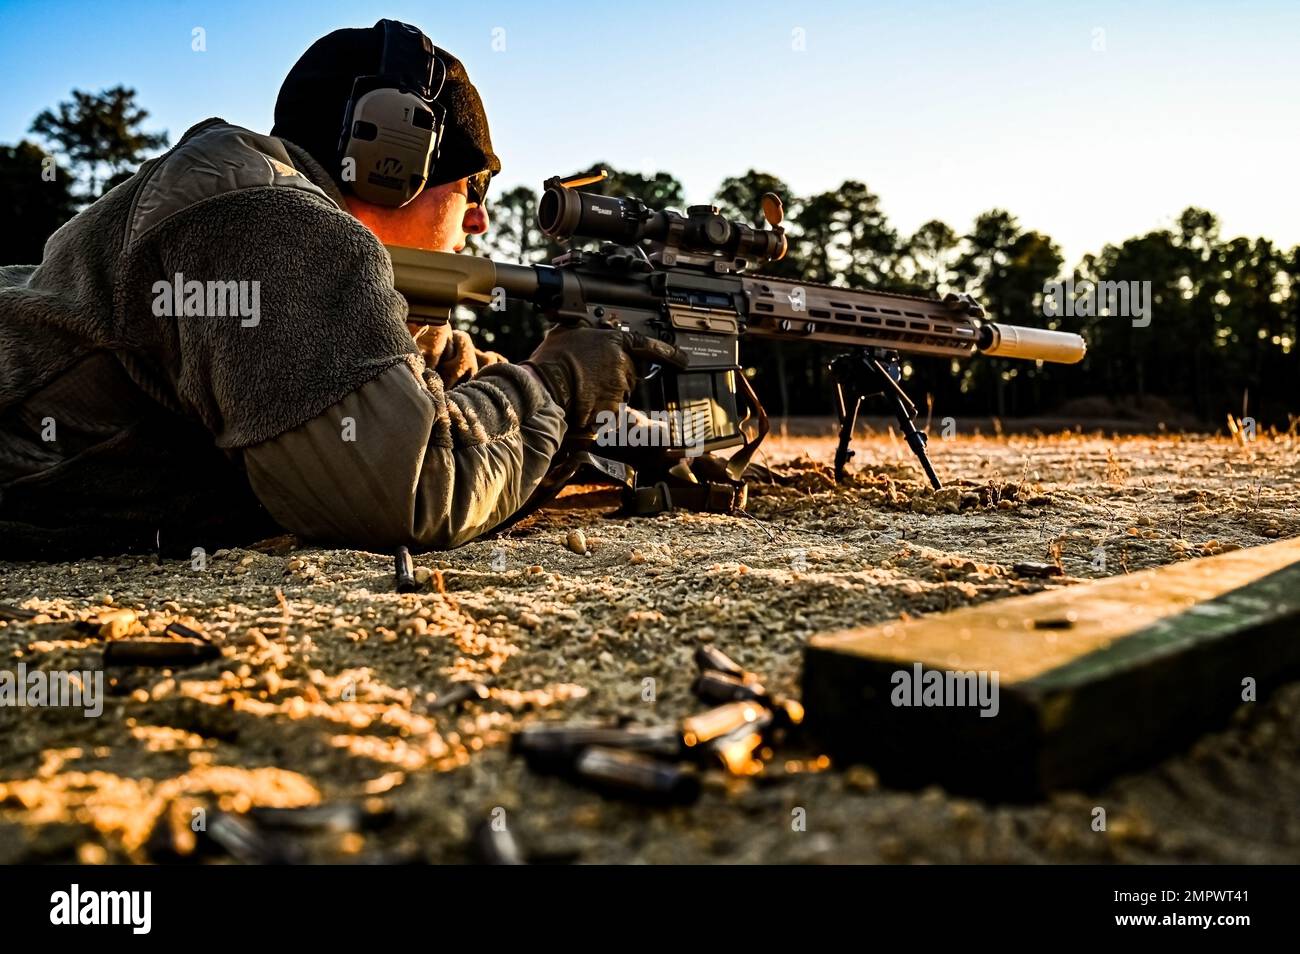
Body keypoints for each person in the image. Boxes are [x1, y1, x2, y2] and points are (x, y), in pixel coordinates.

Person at [0, 19, 677, 558]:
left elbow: (450, 383)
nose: (478, 218)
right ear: (393, 158)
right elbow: (408, 490)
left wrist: (636, 435)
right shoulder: (267, 219)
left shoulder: (327, 265)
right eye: (473, 187)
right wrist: (562, 383)